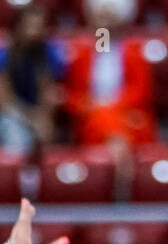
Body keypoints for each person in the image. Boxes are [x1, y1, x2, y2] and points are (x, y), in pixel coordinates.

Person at [63, 0, 156, 159]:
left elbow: (141, 92)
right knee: (102, 119)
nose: (104, 22)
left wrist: (110, 105)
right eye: (101, 17)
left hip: (127, 115)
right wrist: (88, 105)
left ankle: (111, 162)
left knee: (108, 118)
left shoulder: (134, 52)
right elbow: (70, 95)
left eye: (109, 16)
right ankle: (119, 162)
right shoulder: (80, 54)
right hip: (90, 116)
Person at [0, 4, 67, 156]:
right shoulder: (1, 53)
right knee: (16, 134)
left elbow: (49, 93)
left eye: (39, 27)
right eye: (29, 26)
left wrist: (44, 121)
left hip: (35, 117)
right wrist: (33, 120)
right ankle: (13, 175)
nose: (34, 32)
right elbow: (2, 103)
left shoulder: (48, 52)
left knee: (49, 136)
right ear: (17, 27)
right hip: (7, 118)